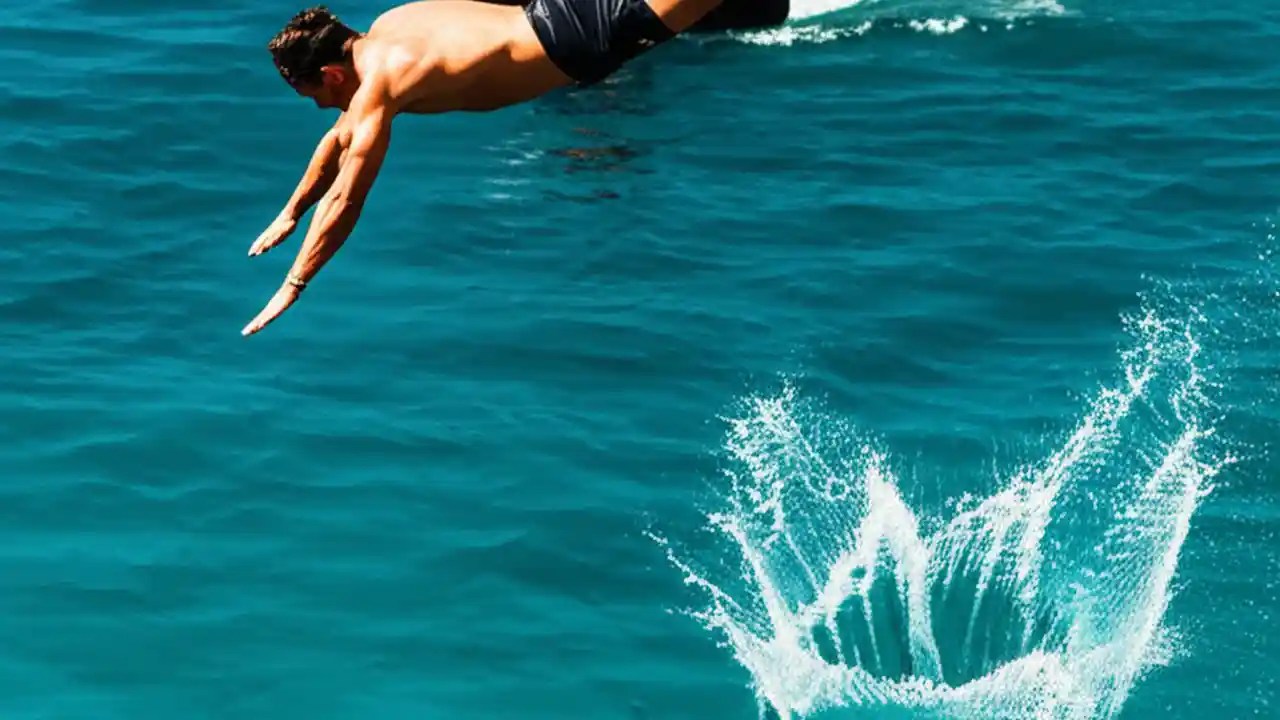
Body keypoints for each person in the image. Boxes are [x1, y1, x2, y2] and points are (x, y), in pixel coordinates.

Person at [241, 0, 789, 337]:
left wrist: (294, 283)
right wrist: (291, 212)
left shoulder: (381, 85)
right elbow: (337, 141)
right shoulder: (388, 28)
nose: (321, 108)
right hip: (556, 12)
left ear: (332, 75)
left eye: (313, 95)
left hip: (592, 35)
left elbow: (347, 197)